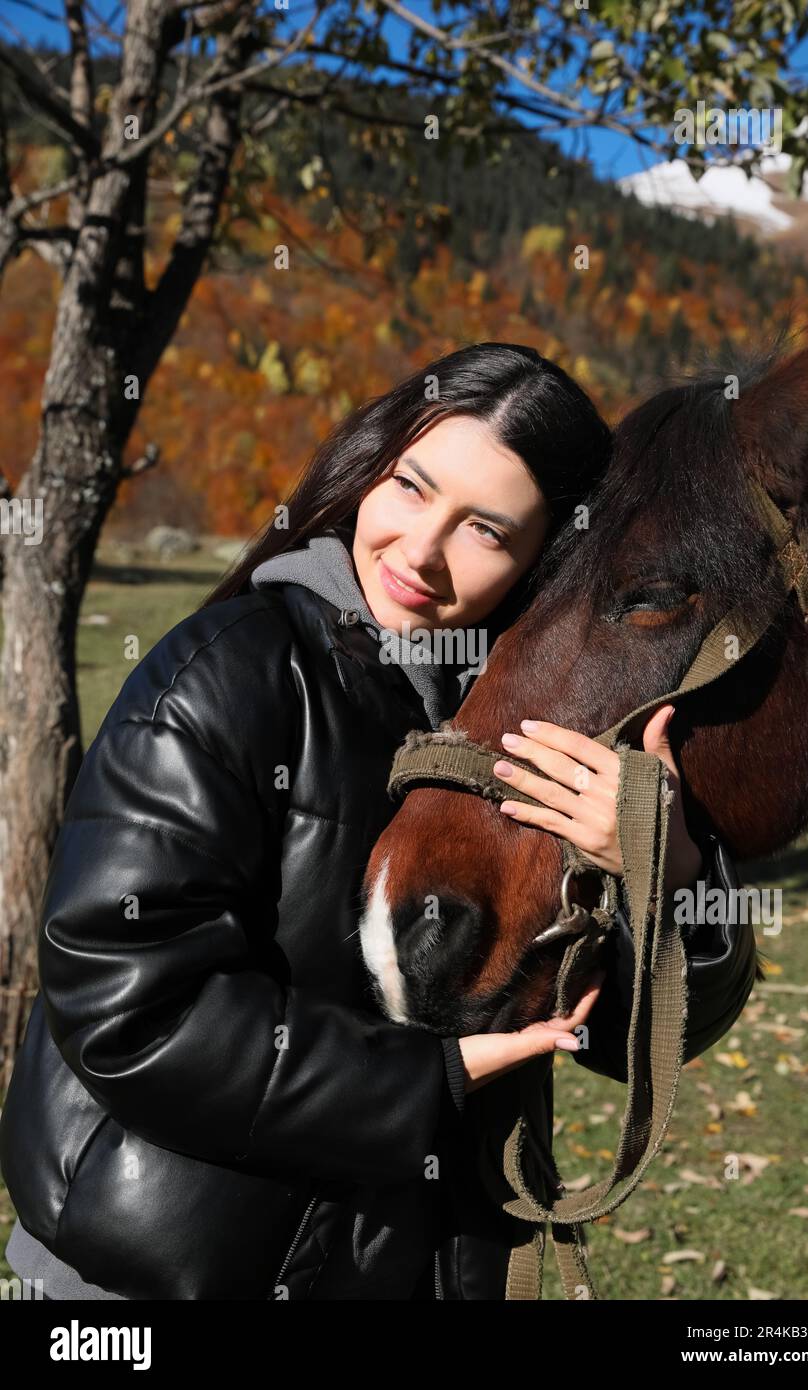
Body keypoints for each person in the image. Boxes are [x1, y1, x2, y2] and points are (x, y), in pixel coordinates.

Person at [0, 343, 757, 1300]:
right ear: (371, 464)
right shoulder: (229, 673)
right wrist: (431, 1077)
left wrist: (670, 871)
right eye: (410, 486)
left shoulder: (543, 733)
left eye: (485, 528)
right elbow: (130, 1011)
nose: (418, 550)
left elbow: (622, 1037)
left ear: (544, 563)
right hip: (160, 1271)